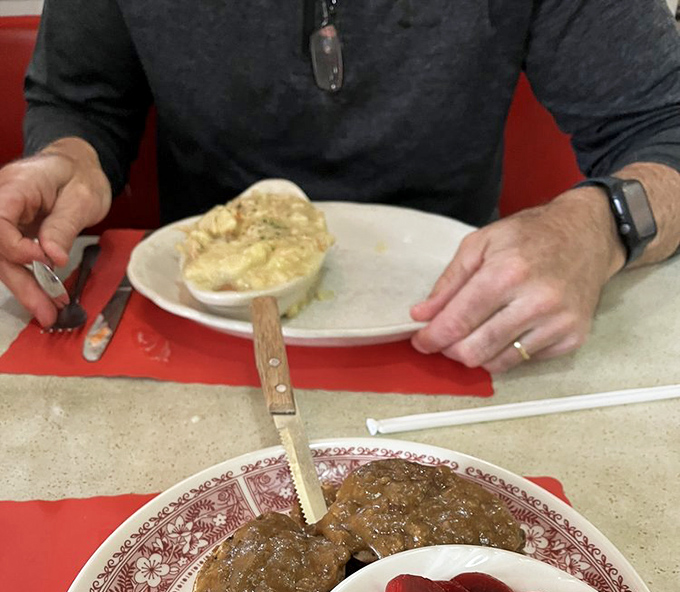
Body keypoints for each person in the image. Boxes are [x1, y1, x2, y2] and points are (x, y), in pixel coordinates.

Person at [1, 0, 679, 372]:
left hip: (467, 330)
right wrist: (67, 156)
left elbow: (663, 124)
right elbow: (81, 100)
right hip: (194, 330)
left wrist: (600, 226)